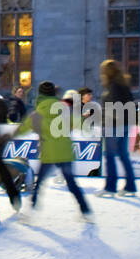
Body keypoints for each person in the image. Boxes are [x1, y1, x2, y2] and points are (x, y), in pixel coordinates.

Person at [20, 81, 93, 221]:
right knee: (72, 184)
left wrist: (8, 136)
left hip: (49, 153)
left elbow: (23, 128)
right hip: (64, 152)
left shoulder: (39, 111)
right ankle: (86, 211)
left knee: (39, 183)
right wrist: (84, 119)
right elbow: (76, 122)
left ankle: (29, 213)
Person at [98, 60, 137, 197]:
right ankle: (131, 186)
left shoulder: (113, 87)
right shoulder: (124, 85)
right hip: (125, 124)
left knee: (109, 155)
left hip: (114, 125)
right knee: (123, 155)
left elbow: (112, 109)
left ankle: (110, 187)